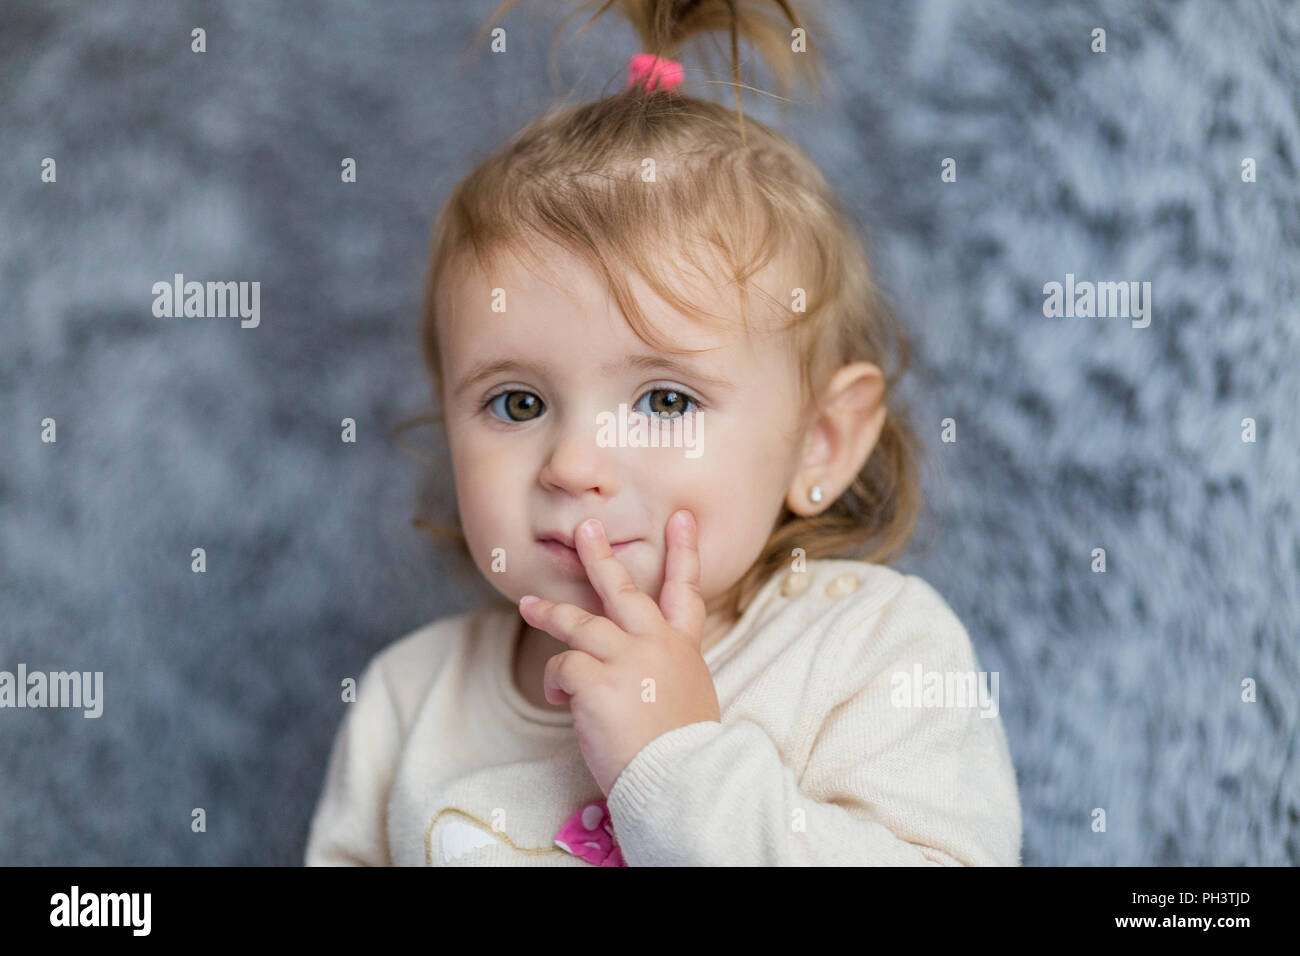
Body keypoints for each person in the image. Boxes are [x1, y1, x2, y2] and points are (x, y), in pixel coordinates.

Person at [304, 0, 1022, 866]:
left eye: (667, 401)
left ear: (820, 443)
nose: (573, 465)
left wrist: (677, 766)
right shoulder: (409, 701)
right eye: (518, 404)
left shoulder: (869, 654)